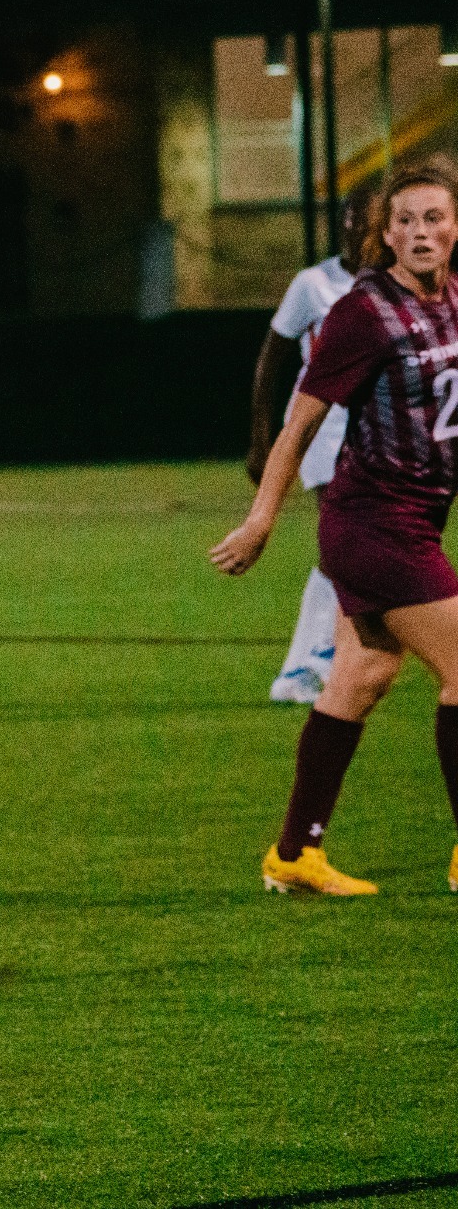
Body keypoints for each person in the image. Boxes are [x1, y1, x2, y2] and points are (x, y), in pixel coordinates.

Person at [212, 157, 458, 897]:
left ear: (455, 228)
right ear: (383, 235)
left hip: (416, 519)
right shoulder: (363, 310)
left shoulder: (453, 299)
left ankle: (295, 854)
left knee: (361, 676)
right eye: (405, 220)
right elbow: (301, 423)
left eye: (434, 218)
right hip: (373, 526)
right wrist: (262, 519)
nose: (420, 232)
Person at [245, 183, 376, 703]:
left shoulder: (388, 286)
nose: (360, 227)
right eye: (356, 215)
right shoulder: (313, 283)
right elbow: (271, 358)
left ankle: (324, 654)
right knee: (340, 542)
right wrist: (260, 438)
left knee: (356, 544)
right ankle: (308, 661)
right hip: (320, 429)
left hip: (372, 431)